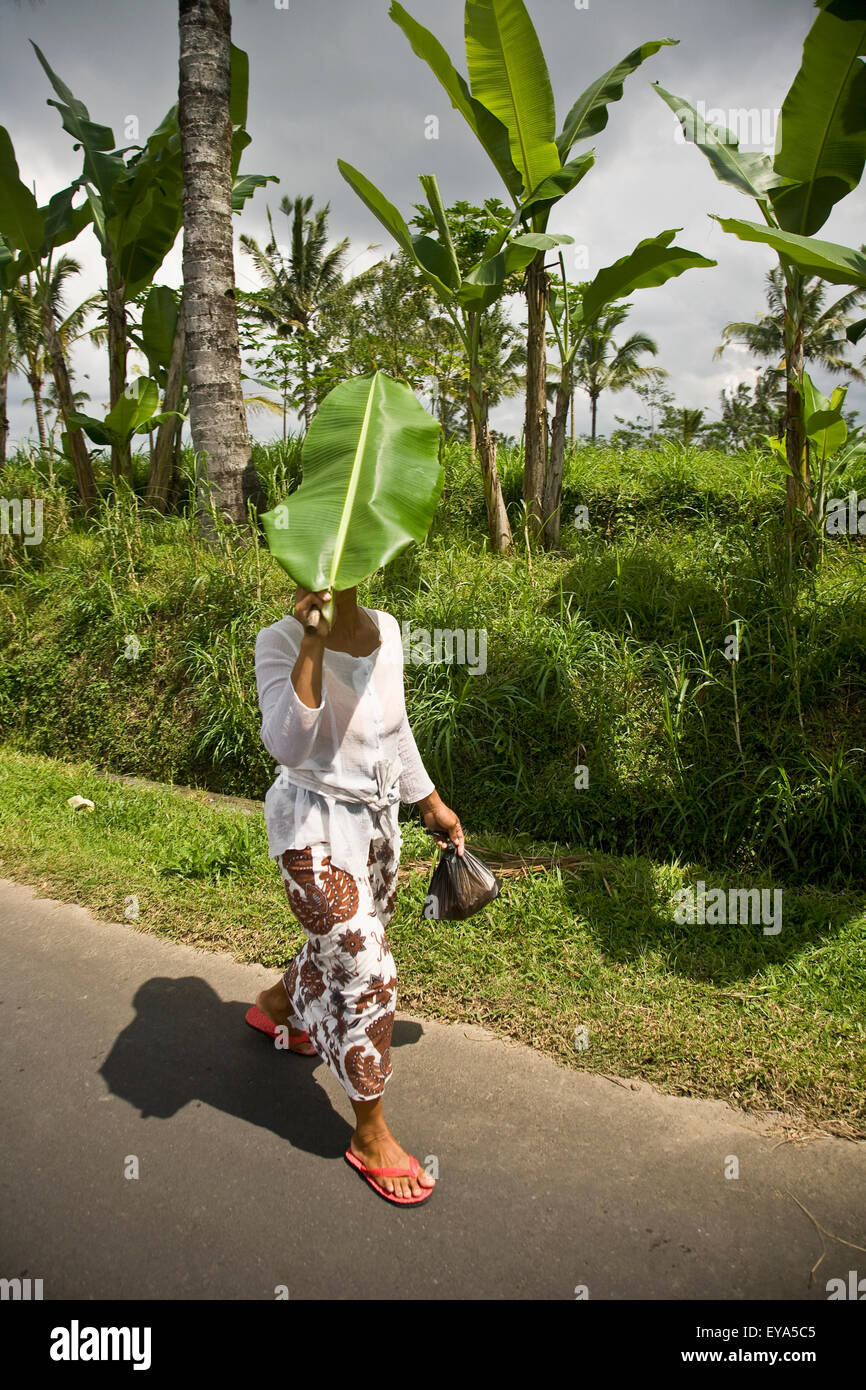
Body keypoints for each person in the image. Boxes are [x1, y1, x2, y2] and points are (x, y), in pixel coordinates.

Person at [248, 583, 464, 1205]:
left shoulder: (385, 630)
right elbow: (287, 742)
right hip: (309, 836)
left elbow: (394, 731)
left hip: (375, 832)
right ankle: (370, 1133)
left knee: (337, 953)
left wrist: (431, 803)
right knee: (368, 969)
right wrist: (312, 642)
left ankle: (274, 1007)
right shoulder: (280, 641)